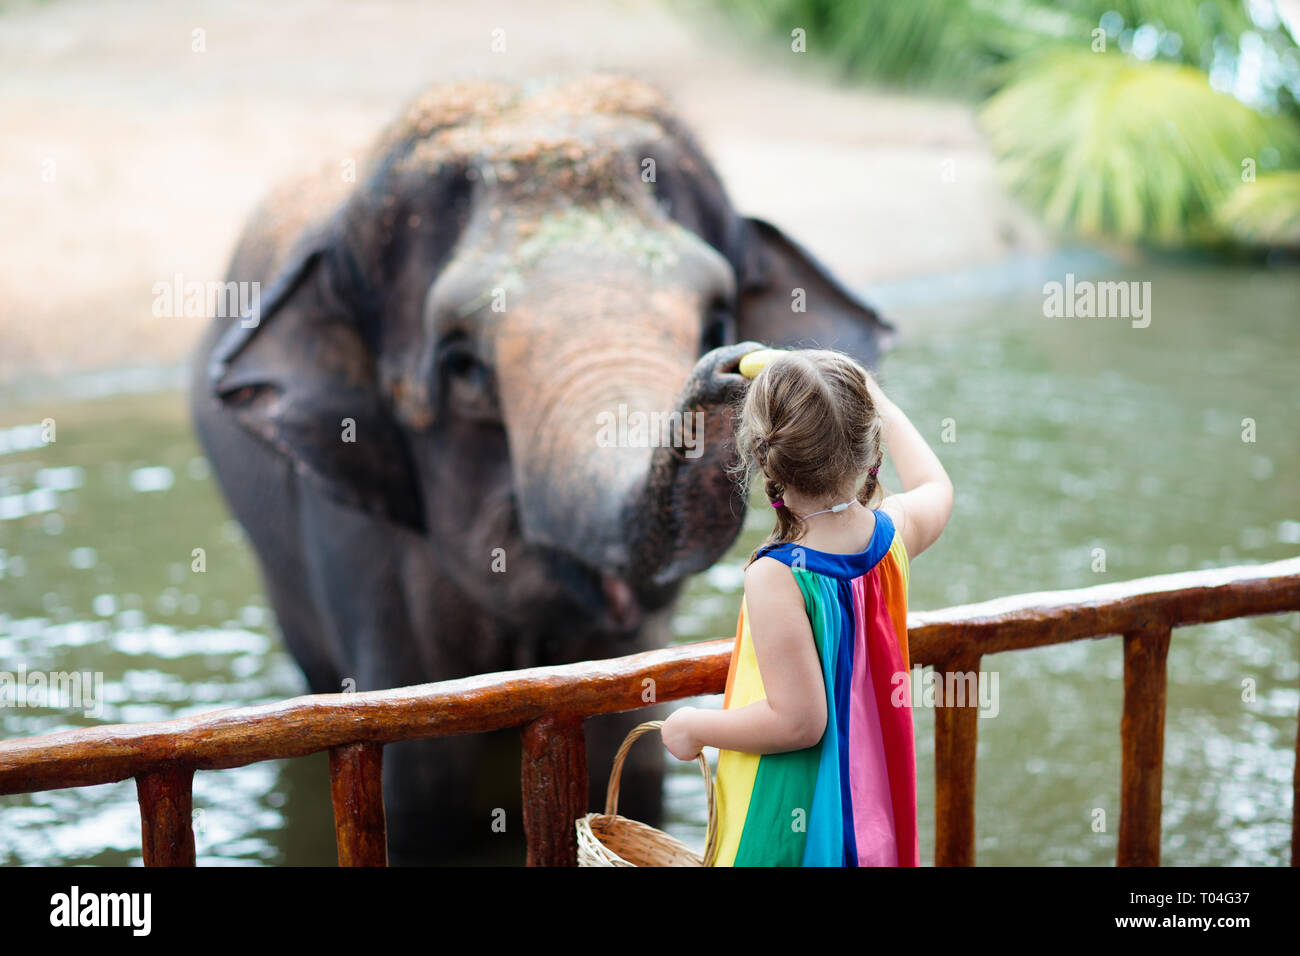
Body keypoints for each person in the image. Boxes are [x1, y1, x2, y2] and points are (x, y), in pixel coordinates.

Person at [661, 347, 953, 866]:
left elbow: (799, 722)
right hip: (871, 805)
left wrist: (692, 727)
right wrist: (875, 393)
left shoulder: (776, 574)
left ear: (761, 457)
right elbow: (936, 485)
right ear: (870, 450)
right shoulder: (892, 535)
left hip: (793, 819)